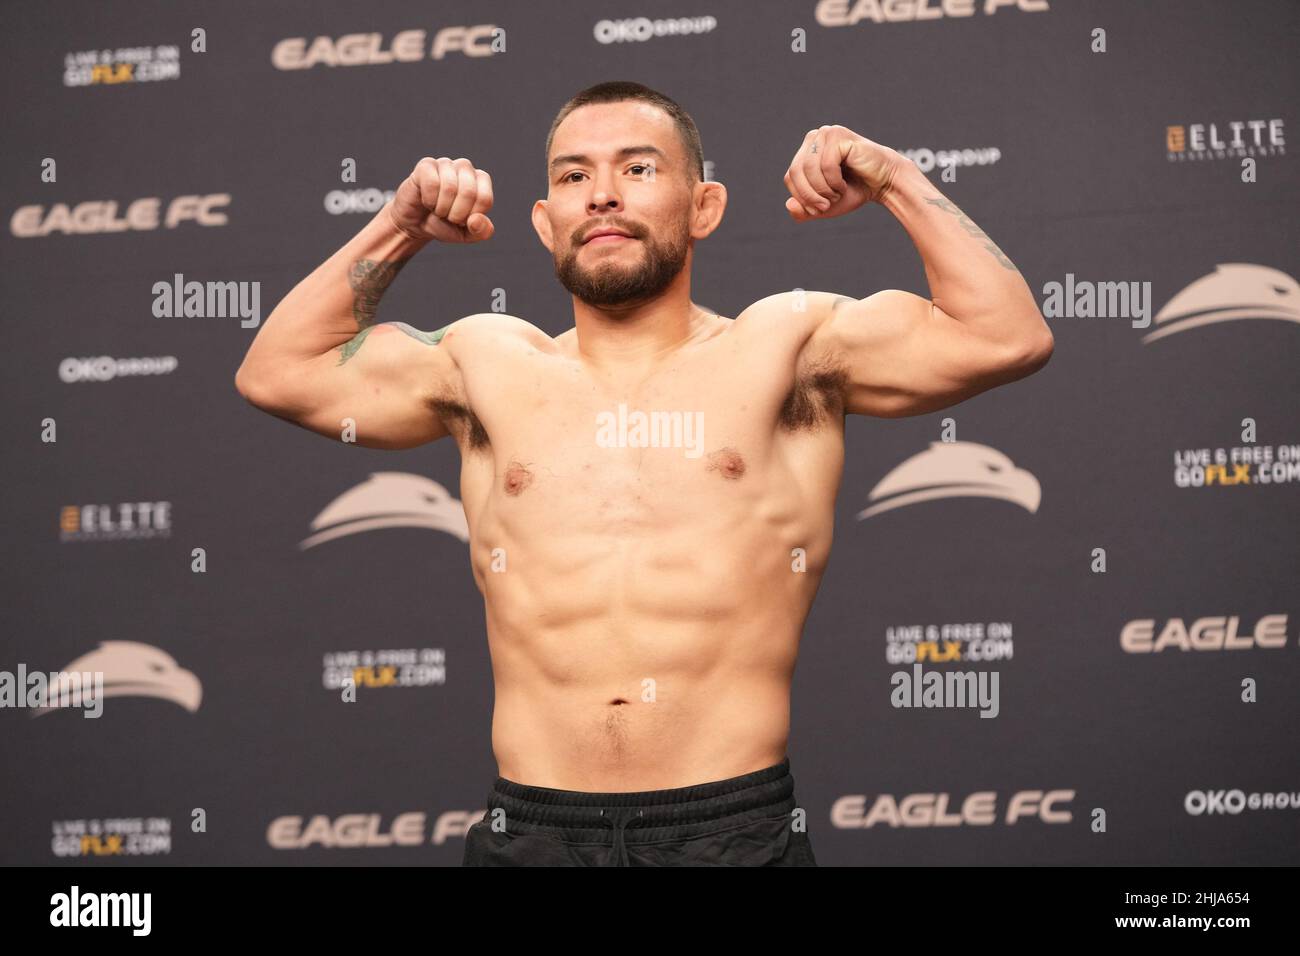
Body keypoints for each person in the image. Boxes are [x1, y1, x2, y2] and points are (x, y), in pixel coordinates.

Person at [234, 81, 1053, 866]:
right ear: (545, 221)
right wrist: (401, 224)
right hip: (531, 831)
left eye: (637, 168)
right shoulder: (481, 365)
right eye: (573, 176)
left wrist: (894, 178)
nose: (601, 196)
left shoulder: (788, 349)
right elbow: (276, 372)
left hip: (728, 830)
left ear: (704, 207)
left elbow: (1005, 335)